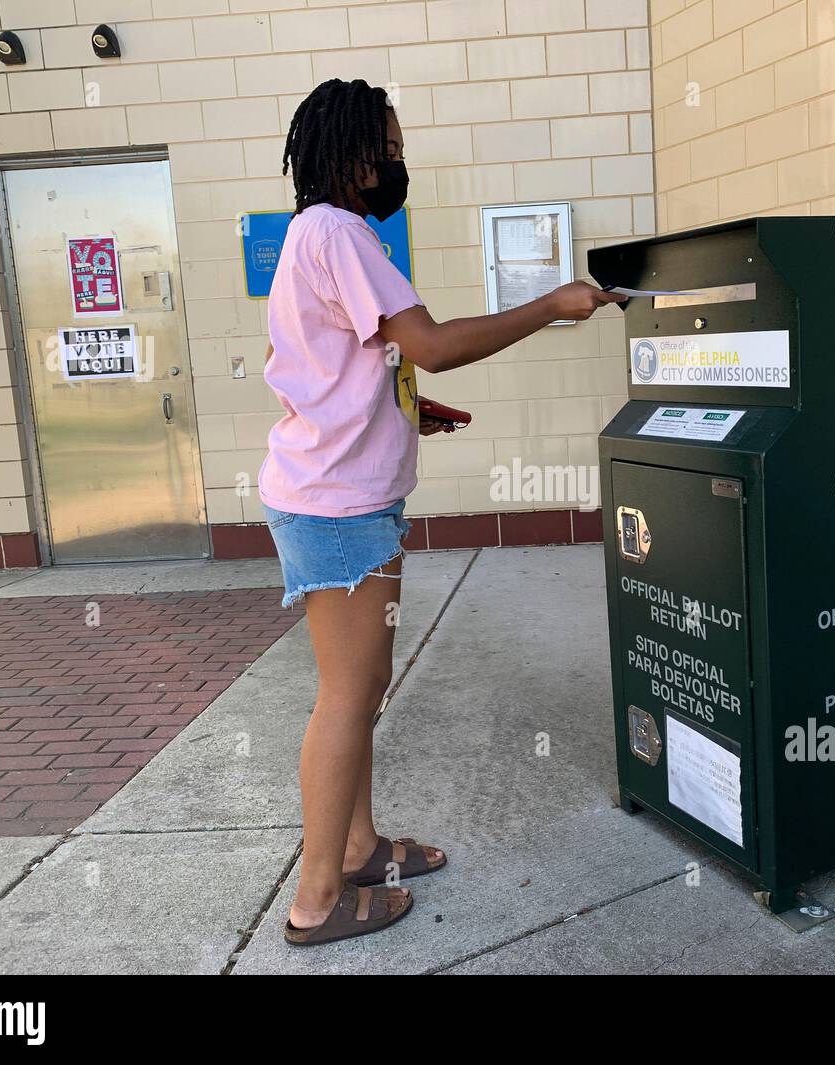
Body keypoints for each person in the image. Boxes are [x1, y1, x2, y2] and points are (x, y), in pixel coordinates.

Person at [258, 78, 622, 945]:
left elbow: (355, 363)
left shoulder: (319, 236)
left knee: (361, 687)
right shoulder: (340, 231)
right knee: (348, 695)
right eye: (389, 145)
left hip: (339, 496)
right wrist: (552, 307)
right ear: (351, 158)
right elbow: (433, 344)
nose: (399, 160)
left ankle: (357, 846)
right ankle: (317, 899)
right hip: (337, 508)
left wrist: (405, 410)